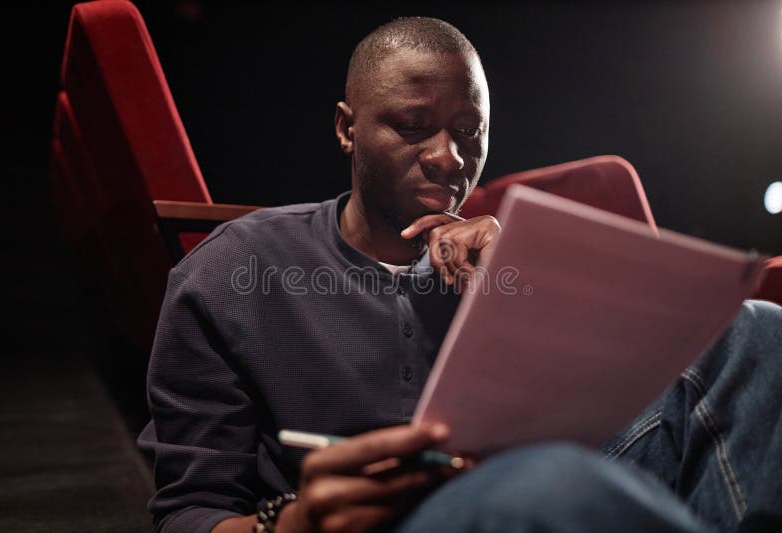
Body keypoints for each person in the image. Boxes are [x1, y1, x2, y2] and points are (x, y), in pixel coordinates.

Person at [137, 16, 782, 533]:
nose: (449, 158)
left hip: (554, 482)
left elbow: (600, 414)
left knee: (758, 329)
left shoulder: (499, 257)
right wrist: (296, 523)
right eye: (412, 127)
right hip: (411, 514)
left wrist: (524, 283)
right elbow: (189, 511)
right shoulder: (236, 267)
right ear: (346, 128)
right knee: (548, 481)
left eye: (470, 132)